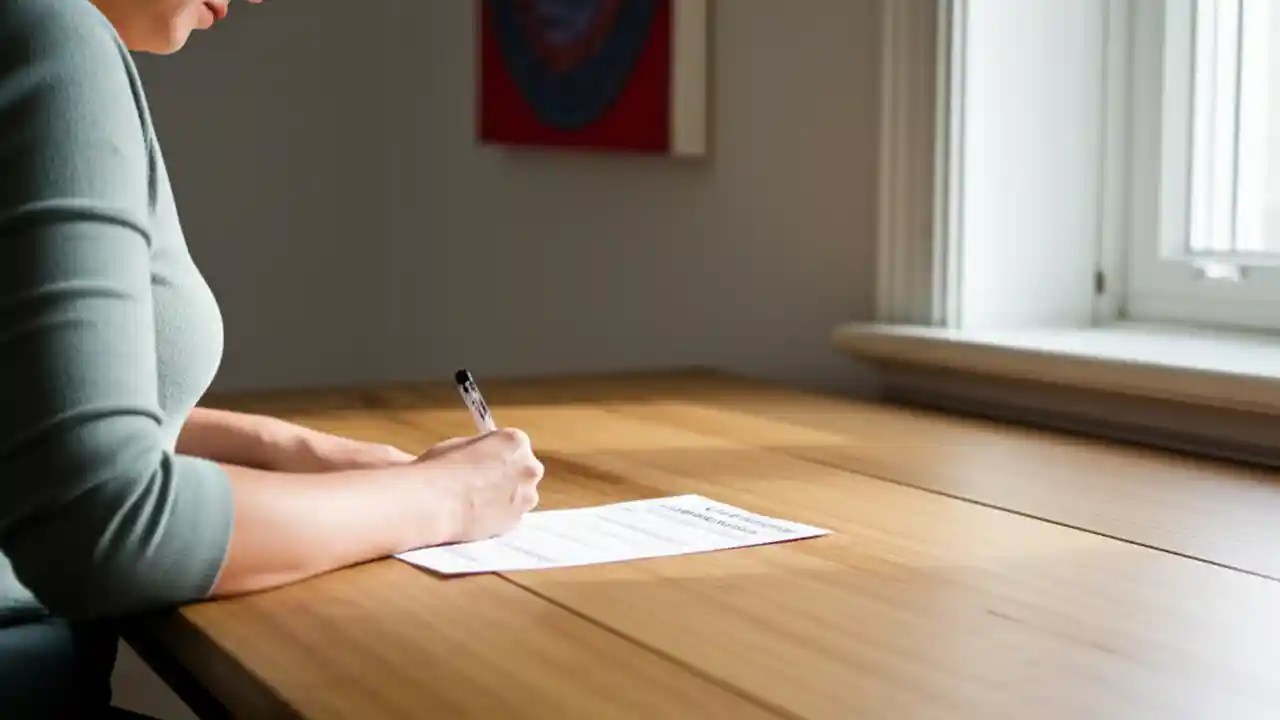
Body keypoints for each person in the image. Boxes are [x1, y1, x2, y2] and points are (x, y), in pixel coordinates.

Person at [0, 0, 545, 715]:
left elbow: (32, 405)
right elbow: (104, 525)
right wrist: (447, 498)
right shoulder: (47, 34)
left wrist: (285, 447)